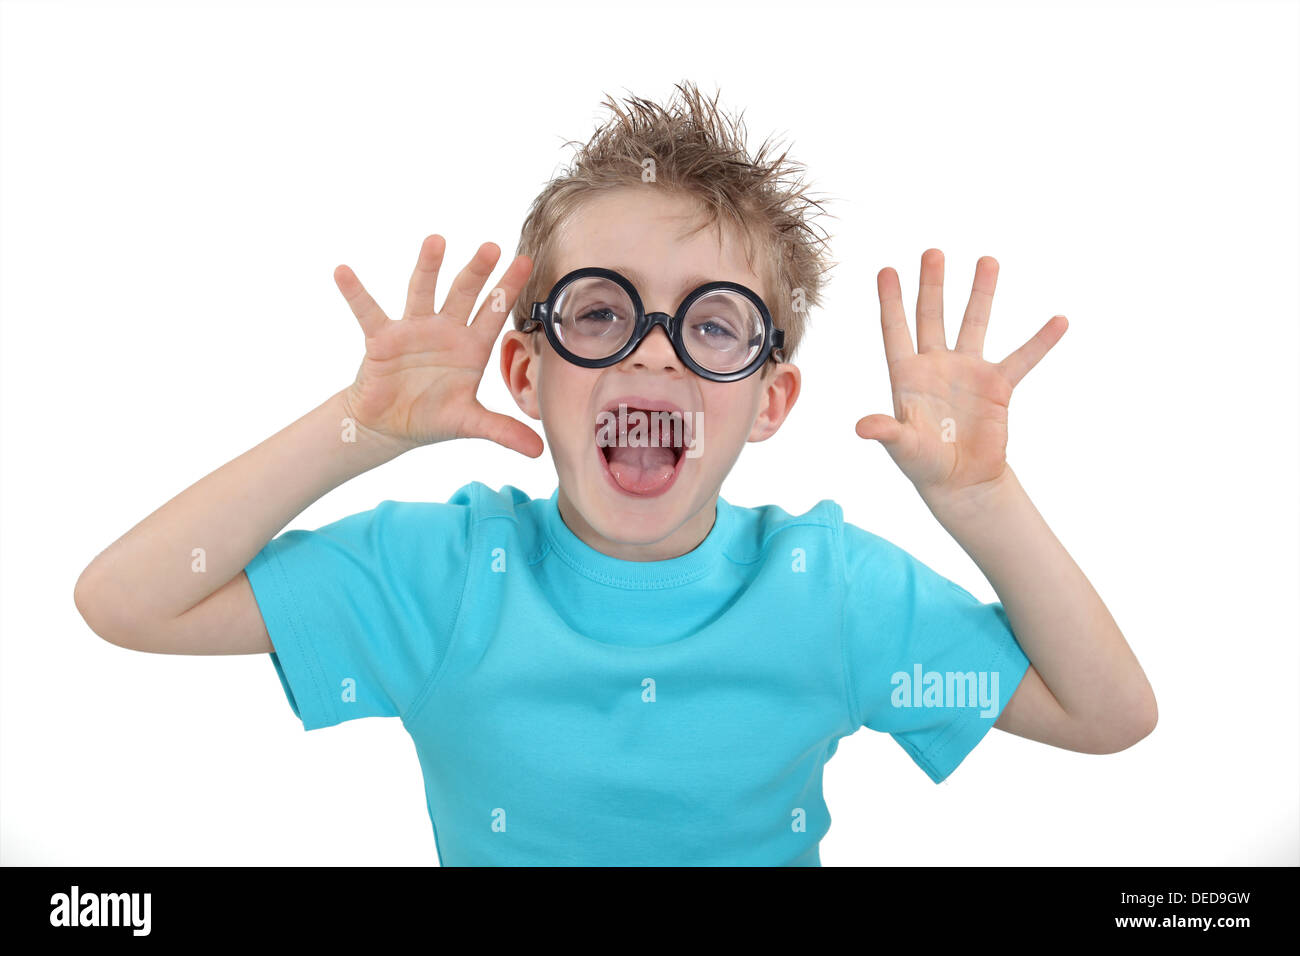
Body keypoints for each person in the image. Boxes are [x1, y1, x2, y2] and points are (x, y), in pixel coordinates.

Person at [73, 81, 1157, 866]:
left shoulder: (827, 590)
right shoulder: (446, 573)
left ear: (768, 399)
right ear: (524, 369)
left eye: (713, 323)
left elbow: (1106, 713)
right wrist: (362, 427)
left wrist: (979, 499)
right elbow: (126, 599)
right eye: (600, 310)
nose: (651, 350)